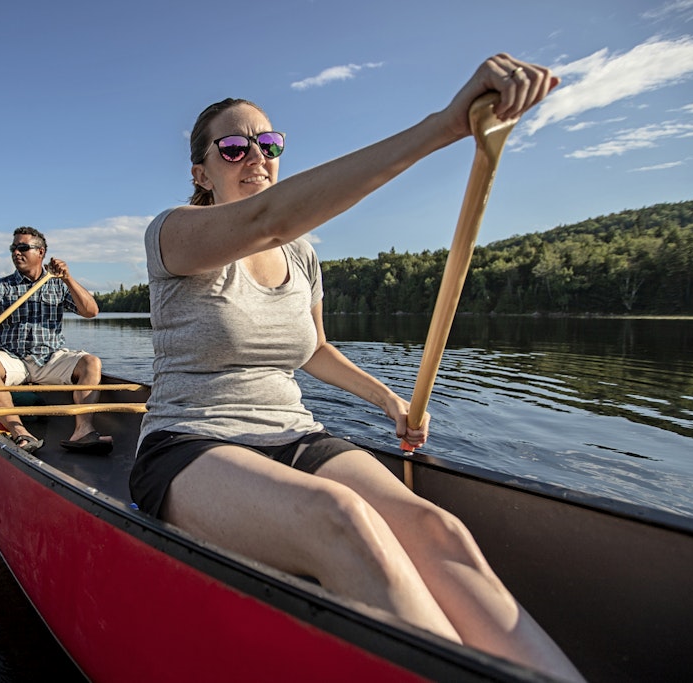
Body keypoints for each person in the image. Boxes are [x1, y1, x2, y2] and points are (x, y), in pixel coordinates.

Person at [129, 55, 584, 681]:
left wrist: (389, 401)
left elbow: (315, 348)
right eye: (233, 148)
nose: (256, 157)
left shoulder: (302, 257)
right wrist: (444, 125)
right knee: (342, 521)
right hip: (190, 442)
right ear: (201, 172)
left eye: (268, 143)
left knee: (437, 530)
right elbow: (270, 217)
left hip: (292, 433)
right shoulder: (175, 233)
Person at [0, 226, 113, 454]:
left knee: (91, 362)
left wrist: (68, 278)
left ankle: (83, 431)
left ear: (41, 252)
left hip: (51, 358)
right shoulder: (1, 287)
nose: (16, 253)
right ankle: (20, 432)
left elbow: (91, 311)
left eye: (22, 247)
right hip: (13, 359)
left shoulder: (58, 284)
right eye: (13, 248)